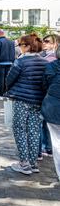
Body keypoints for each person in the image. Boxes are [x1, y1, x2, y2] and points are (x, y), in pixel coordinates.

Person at [6, 34, 48, 175]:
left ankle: (24, 163)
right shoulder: (45, 62)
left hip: (22, 100)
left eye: (21, 45)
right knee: (34, 131)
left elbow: (9, 79)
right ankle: (33, 162)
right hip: (38, 100)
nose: (20, 48)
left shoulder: (21, 62)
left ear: (28, 46)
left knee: (19, 129)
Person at [38, 35, 59, 159]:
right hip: (48, 97)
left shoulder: (51, 60)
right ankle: (48, 147)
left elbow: (47, 81)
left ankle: (46, 147)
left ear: (55, 44)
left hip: (51, 98)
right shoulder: (44, 56)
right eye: (43, 41)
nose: (44, 43)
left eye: (47, 41)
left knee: (45, 124)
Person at [41, 46, 60, 181]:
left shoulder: (51, 66)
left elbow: (45, 85)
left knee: (57, 142)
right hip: (53, 106)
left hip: (53, 107)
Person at [0, 29, 15, 98]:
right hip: (10, 63)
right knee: (7, 79)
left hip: (0, 63)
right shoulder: (11, 42)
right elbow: (13, 53)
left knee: (0, 80)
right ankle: (6, 93)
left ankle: (1, 94)